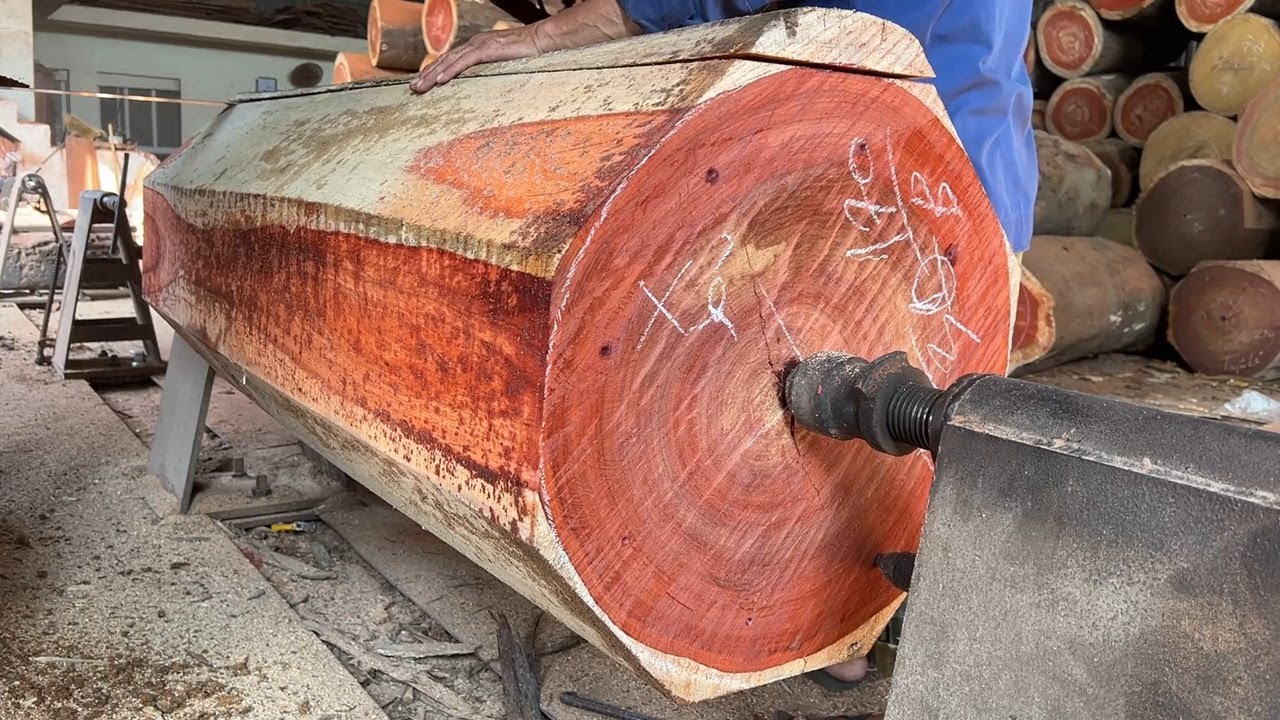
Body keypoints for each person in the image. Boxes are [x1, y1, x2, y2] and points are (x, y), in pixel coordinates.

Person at [411, 0, 1036, 684]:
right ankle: (843, 626)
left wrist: (562, 32)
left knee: (804, 410)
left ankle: (835, 627)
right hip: (973, 172)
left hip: (858, 149)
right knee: (903, 428)